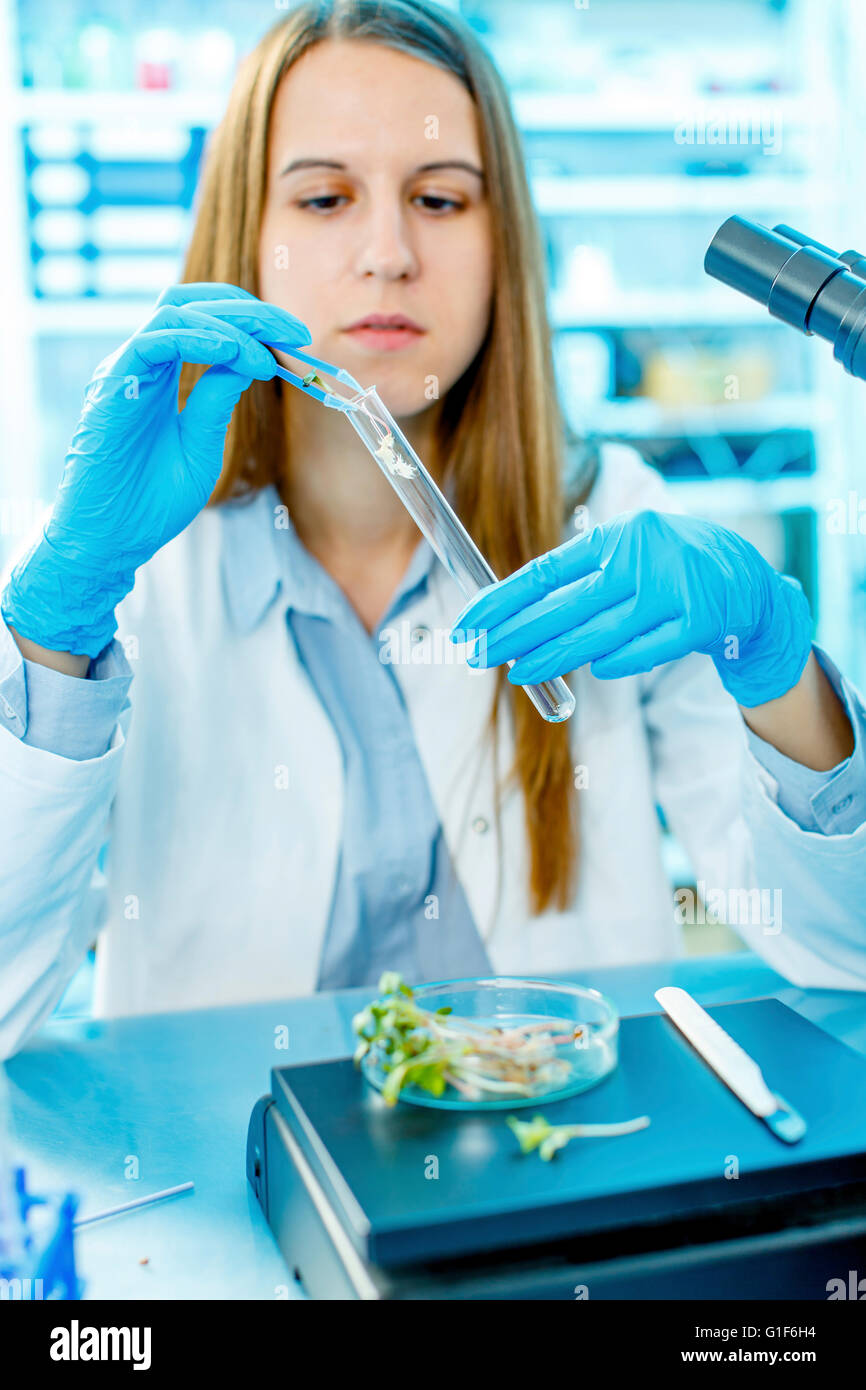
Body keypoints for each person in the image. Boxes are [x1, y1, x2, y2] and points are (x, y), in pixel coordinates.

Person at [0, 0, 864, 1062]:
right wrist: (53, 634)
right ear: (244, 235)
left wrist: (775, 665)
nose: (387, 252)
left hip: (565, 1171)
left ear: (505, 242)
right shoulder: (133, 570)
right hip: (226, 1199)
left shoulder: (617, 527)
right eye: (322, 196)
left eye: (440, 197)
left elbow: (842, 951)